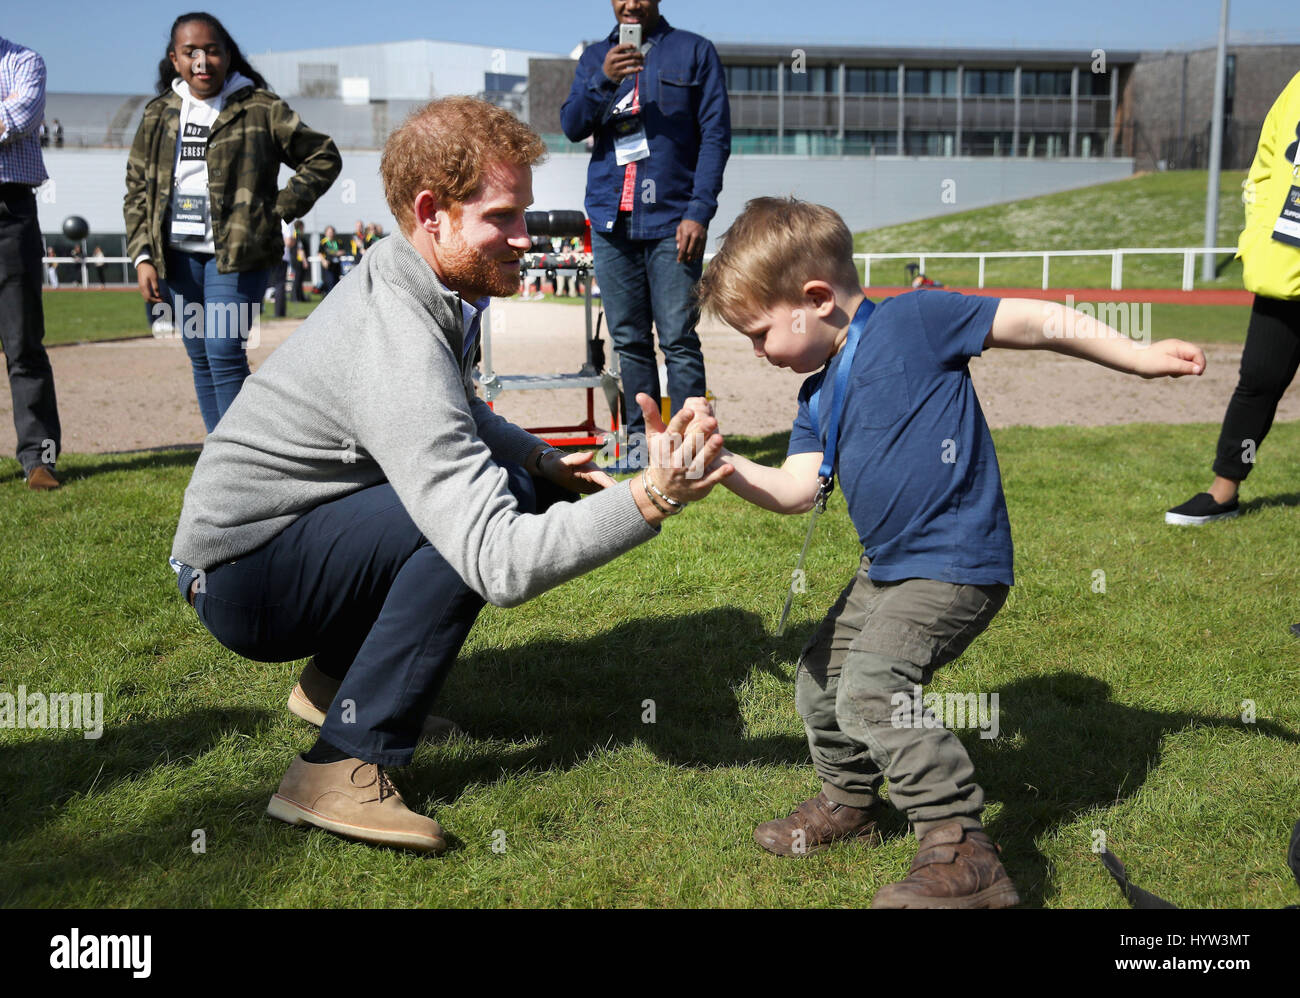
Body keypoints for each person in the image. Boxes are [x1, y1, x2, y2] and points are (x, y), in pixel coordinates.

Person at [168, 96, 732, 853]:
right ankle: (341, 765)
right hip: (241, 582)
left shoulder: (418, 279)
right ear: (431, 213)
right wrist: (651, 497)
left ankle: (335, 688)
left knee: (516, 483)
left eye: (524, 215)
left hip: (265, 552)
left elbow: (457, 407)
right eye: (502, 217)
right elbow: (496, 562)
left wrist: (536, 458)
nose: (526, 238)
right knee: (462, 528)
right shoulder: (396, 331)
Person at [693, 196, 1207, 907]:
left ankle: (964, 853)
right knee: (818, 680)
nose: (756, 351)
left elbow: (1030, 319)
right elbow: (794, 489)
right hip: (886, 569)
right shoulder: (817, 394)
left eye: (757, 333)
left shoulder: (914, 319)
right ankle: (850, 804)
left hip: (956, 562)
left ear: (814, 300)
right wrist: (723, 468)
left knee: (873, 688)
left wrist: (1138, 355)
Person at [125, 12, 341, 433]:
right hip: (177, 256)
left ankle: (244, 460)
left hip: (239, 256)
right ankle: (219, 460)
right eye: (191, 52)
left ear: (227, 56)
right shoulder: (158, 114)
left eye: (212, 50)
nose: (202, 61)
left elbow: (324, 156)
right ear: (175, 58)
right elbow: (136, 188)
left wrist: (278, 208)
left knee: (224, 349)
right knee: (202, 356)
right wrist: (142, 256)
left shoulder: (261, 108)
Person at [561, 0, 730, 456]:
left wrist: (699, 211)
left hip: (674, 220)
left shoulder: (695, 52)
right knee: (630, 341)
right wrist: (604, 80)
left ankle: (690, 450)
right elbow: (571, 126)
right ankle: (642, 448)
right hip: (611, 218)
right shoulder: (596, 57)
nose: (631, 3)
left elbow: (715, 137)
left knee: (677, 337)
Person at [1166, 71, 1300, 526]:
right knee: (1259, 379)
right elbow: (1265, 165)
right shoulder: (1296, 87)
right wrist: (1259, 236)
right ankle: (1223, 494)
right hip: (1286, 268)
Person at [0, 35, 62, 490]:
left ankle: (41, 459)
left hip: (10, 212)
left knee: (24, 341)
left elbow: (21, 117)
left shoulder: (24, 61)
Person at [315, 224, 342, 295]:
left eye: (332, 232)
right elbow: (319, 253)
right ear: (326, 233)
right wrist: (323, 261)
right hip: (328, 265)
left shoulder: (337, 241)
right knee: (330, 282)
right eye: (329, 232)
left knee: (337, 282)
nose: (331, 233)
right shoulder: (323, 242)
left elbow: (342, 251)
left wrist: (338, 253)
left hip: (336, 265)